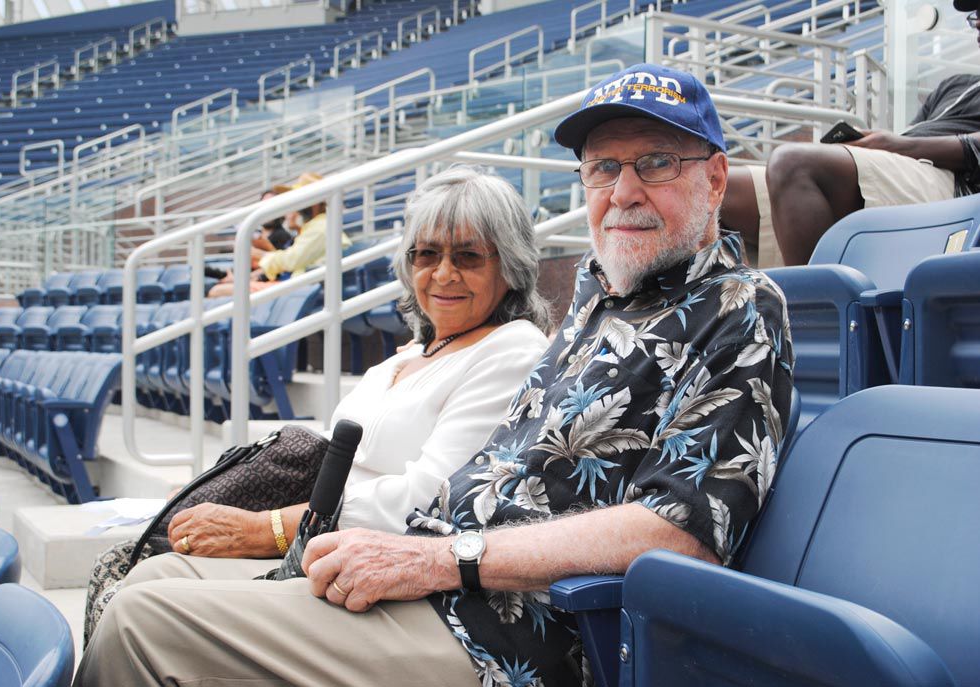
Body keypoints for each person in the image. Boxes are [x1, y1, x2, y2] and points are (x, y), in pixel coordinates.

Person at [77, 64, 794, 687]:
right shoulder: (595, 297)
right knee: (150, 575)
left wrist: (439, 557)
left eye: (656, 162)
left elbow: (681, 532)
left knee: (144, 624)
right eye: (603, 167)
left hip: (510, 633)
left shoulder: (741, 308)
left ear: (716, 175)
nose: (624, 189)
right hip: (435, 576)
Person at [82, 166, 552, 645]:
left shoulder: (511, 349)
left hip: (384, 579)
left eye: (468, 256)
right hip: (322, 548)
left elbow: (429, 499)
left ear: (509, 266)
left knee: (139, 610)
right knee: (132, 574)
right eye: (427, 254)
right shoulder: (419, 349)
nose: (443, 272)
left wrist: (265, 529)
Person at [723, 0, 980, 266]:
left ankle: (815, 304)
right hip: (912, 172)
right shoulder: (952, 86)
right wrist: (883, 144)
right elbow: (909, 141)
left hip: (958, 185)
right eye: (976, 15)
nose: (978, 22)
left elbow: (934, 148)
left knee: (793, 163)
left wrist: (894, 145)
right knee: (717, 187)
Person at [209, 172, 351, 297]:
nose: (293, 207)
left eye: (299, 201)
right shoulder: (318, 226)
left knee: (218, 291)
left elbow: (291, 261)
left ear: (313, 203)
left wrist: (261, 254)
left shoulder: (320, 227)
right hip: (301, 286)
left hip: (302, 290)